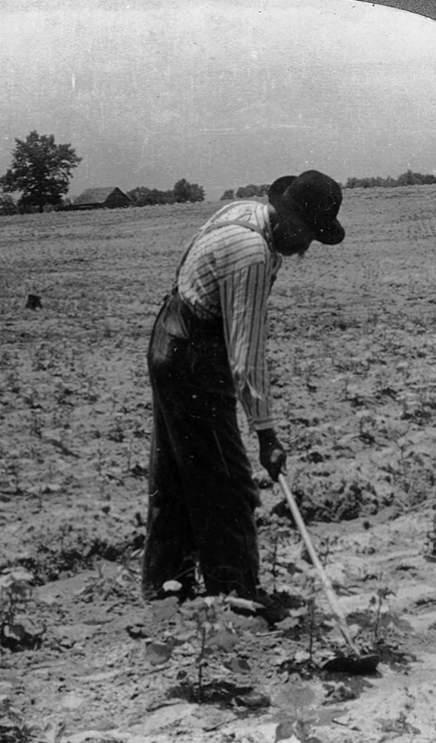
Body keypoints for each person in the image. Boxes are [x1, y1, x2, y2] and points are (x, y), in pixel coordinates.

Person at [142, 170, 345, 608]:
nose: (307, 245)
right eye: (307, 233)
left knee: (178, 473)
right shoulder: (252, 253)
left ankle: (165, 589)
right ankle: (233, 595)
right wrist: (266, 434)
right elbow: (246, 351)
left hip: (169, 340)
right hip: (192, 355)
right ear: (288, 216)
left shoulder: (244, 213)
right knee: (227, 479)